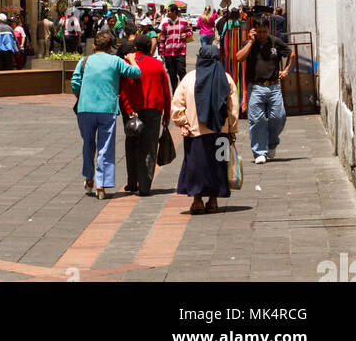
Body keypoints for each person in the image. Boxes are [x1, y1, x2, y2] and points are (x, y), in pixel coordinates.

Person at [71, 31, 140, 200]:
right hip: (107, 109)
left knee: (88, 144)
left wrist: (81, 96)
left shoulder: (84, 61)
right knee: (105, 147)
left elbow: (74, 83)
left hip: (85, 108)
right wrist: (132, 60)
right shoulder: (116, 61)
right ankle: (101, 185)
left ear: (94, 46)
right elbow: (135, 73)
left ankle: (89, 179)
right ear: (110, 48)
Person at [172, 41, 238, 214]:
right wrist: (232, 130)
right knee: (218, 165)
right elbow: (233, 108)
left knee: (196, 167)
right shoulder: (226, 78)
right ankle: (214, 201)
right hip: (221, 134)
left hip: (195, 133)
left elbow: (177, 104)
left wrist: (183, 122)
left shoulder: (189, 78)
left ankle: (197, 201)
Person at [235, 17, 295, 164]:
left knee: (278, 117)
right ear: (254, 30)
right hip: (255, 87)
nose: (262, 34)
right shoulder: (249, 43)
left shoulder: (275, 42)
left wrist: (286, 70)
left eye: (264, 31)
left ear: (268, 30)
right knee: (257, 120)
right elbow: (239, 58)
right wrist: (250, 41)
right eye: (259, 31)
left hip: (274, 87)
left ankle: (272, 143)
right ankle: (260, 152)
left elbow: (291, 54)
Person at [119, 33, 170, 196]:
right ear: (150, 48)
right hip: (154, 110)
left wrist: (128, 110)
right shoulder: (157, 65)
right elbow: (166, 91)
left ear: (134, 48)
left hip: (133, 110)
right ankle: (145, 186)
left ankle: (132, 182)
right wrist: (167, 114)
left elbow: (123, 91)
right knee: (149, 147)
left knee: (132, 144)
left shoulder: (128, 64)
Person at [159, 4, 194, 93]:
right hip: (169, 54)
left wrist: (185, 35)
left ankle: (184, 91)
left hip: (180, 52)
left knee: (181, 71)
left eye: (169, 11)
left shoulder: (183, 22)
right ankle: (175, 92)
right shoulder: (165, 24)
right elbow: (162, 38)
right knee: (172, 74)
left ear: (174, 12)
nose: (167, 13)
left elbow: (190, 32)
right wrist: (161, 52)